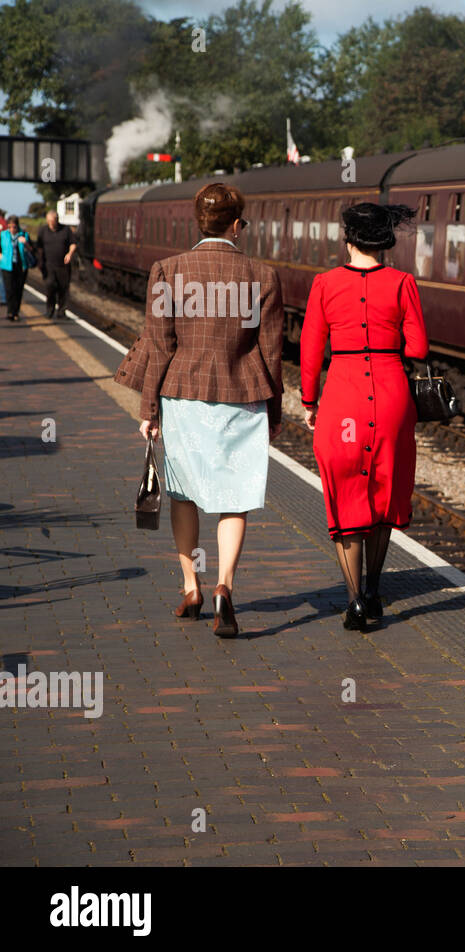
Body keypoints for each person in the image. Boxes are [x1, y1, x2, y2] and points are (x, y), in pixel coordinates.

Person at [123, 183, 285, 637]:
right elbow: (272, 352)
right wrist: (273, 411)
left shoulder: (167, 271)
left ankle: (191, 586)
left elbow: (159, 346)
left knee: (184, 493)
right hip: (243, 395)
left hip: (183, 394)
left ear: (200, 224)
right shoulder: (263, 276)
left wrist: (148, 408)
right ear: (237, 225)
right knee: (234, 495)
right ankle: (224, 587)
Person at [300, 203, 427, 631]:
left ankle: (353, 599)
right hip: (391, 394)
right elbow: (418, 348)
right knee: (383, 490)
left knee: (347, 493)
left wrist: (309, 402)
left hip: (342, 396)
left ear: (348, 239)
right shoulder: (403, 283)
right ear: (385, 243)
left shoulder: (324, 284)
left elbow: (311, 349)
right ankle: (374, 591)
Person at [35, 208, 77, 319]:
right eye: (49, 222)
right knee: (50, 287)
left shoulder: (66, 230)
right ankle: (50, 310)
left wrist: (70, 253)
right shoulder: (43, 231)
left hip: (63, 266)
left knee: (63, 289)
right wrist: (40, 260)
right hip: (48, 265)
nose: (51, 224)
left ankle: (62, 311)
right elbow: (38, 246)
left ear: (57, 220)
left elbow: (73, 243)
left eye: (53, 222)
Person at [0, 218, 36, 321]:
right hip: (7, 265)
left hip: (20, 266)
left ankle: (16, 312)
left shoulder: (24, 235)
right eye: (10, 227)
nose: (12, 229)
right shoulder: (3, 235)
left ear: (17, 226)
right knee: (9, 289)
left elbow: (32, 249)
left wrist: (25, 243)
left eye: (14, 227)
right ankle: (10, 311)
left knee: (18, 290)